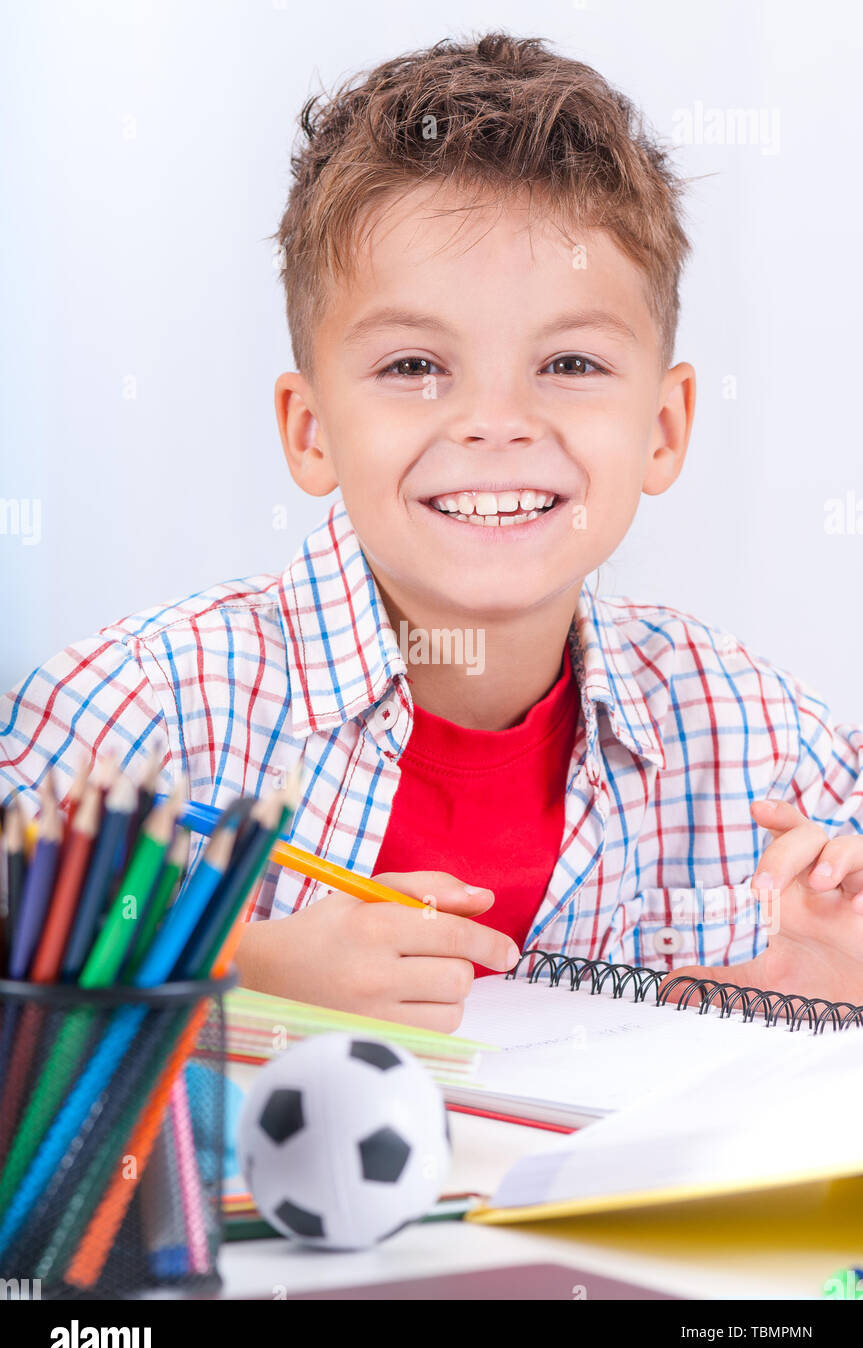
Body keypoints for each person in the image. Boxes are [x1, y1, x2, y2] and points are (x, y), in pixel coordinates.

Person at [3, 34, 863, 1027]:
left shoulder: (745, 731)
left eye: (569, 364)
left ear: (662, 429)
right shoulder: (150, 708)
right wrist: (239, 965)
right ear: (310, 429)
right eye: (414, 366)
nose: (494, 421)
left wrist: (837, 993)